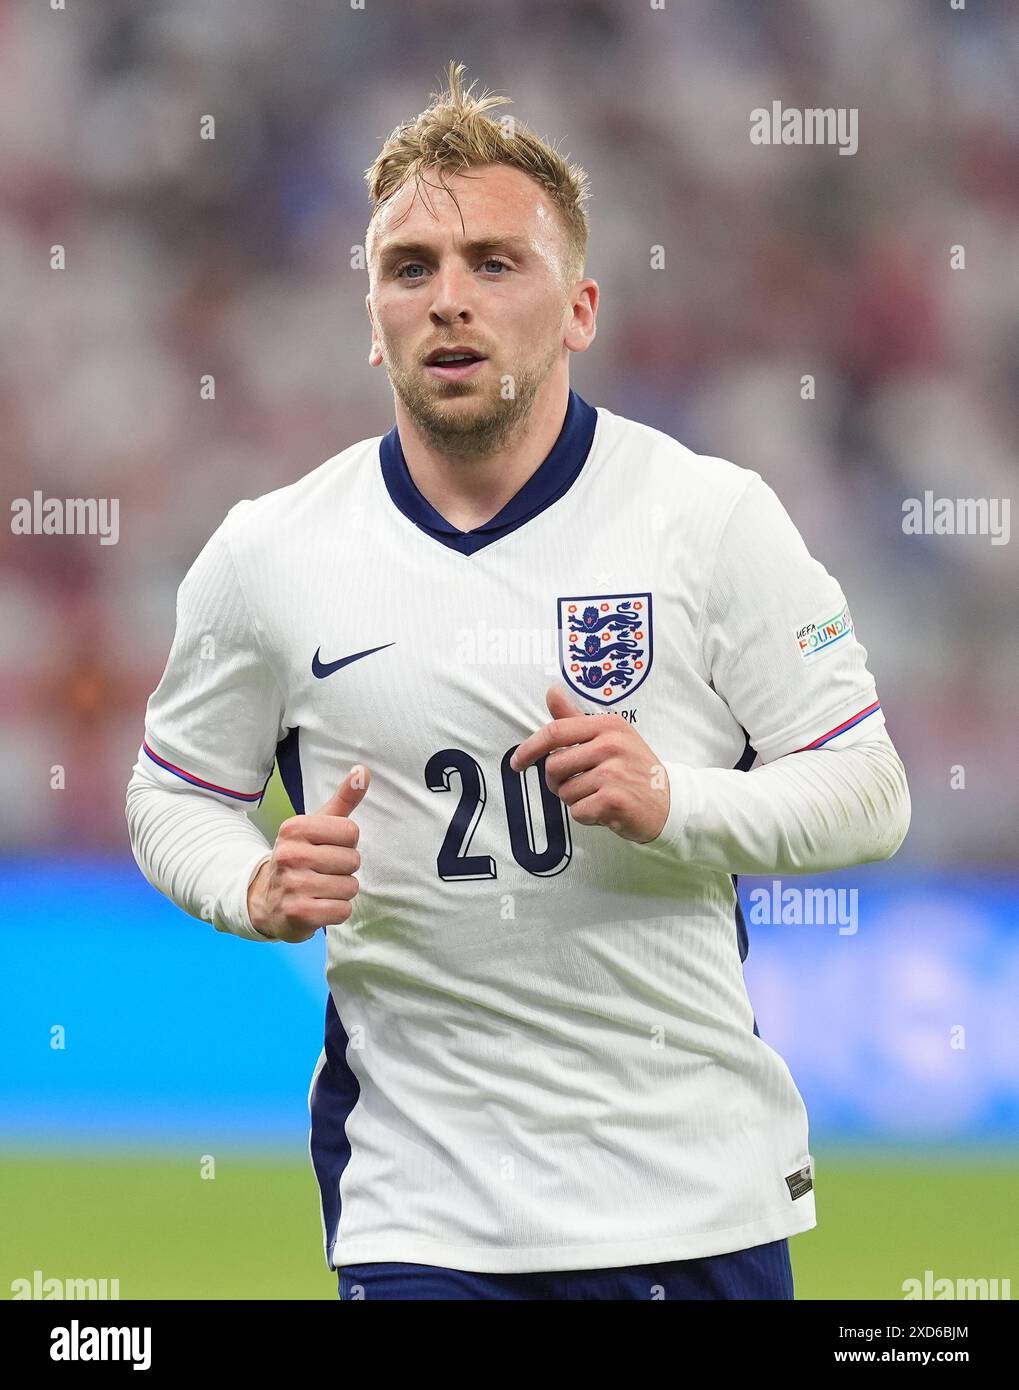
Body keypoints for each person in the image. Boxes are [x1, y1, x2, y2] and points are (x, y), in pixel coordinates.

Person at [125, 62, 910, 1301]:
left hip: (690, 1194)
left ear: (581, 306)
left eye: (496, 264)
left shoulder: (710, 520)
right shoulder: (267, 554)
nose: (450, 301)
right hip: (423, 1215)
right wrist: (251, 882)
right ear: (369, 313)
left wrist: (677, 803)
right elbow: (169, 793)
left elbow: (870, 792)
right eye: (411, 269)